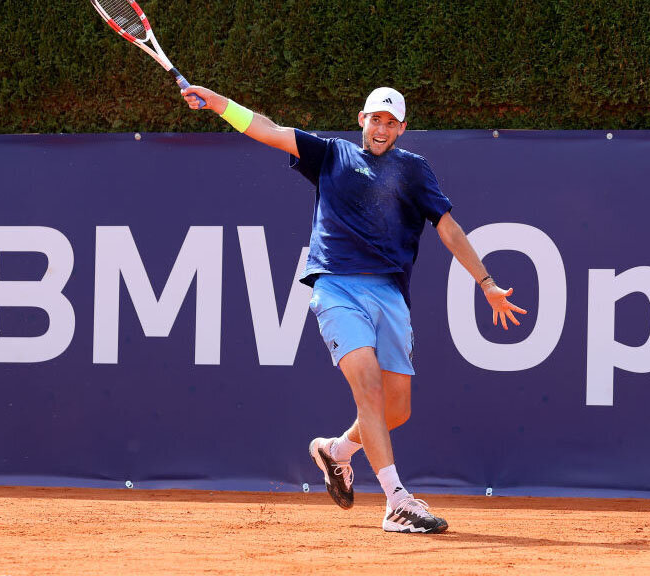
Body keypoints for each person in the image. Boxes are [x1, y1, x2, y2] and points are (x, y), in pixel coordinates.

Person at [181, 85, 527, 534]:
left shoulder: (414, 171)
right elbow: (267, 130)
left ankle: (336, 452)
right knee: (367, 388)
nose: (381, 129)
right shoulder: (331, 155)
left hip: (390, 296)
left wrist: (487, 282)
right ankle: (397, 501)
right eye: (375, 119)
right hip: (337, 287)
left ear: (402, 128)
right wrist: (217, 102)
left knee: (395, 409)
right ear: (361, 118)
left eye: (391, 122)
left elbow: (449, 227)